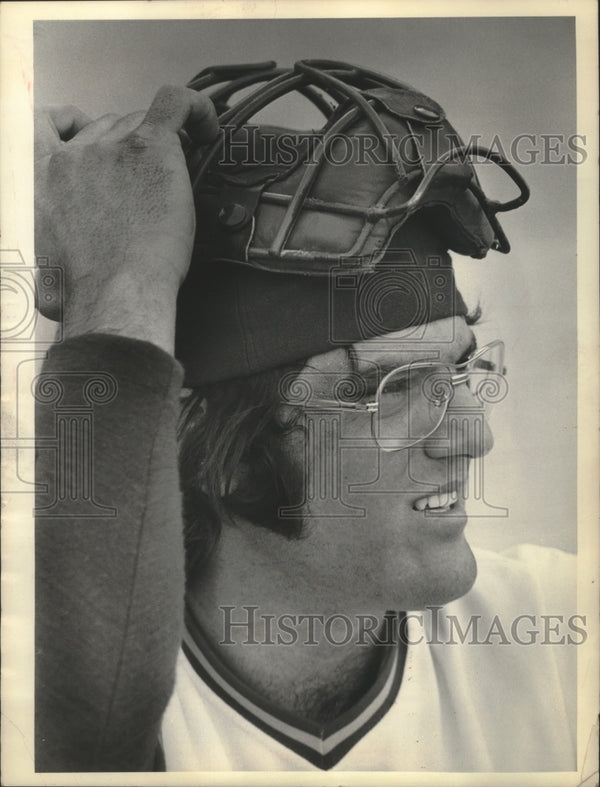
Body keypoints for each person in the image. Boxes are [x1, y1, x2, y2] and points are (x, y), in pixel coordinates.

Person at [34, 61, 577, 773]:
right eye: (394, 389)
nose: (475, 435)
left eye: (464, 368)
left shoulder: (556, 634)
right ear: (209, 444)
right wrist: (117, 283)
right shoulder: (49, 692)